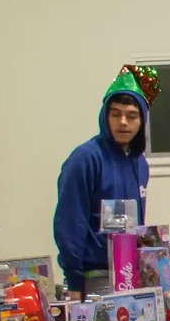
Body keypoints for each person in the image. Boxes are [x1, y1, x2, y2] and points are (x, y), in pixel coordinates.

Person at [53, 64, 153, 291]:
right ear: (105, 116)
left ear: (142, 121)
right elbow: (70, 222)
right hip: (94, 276)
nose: (124, 122)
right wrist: (75, 281)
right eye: (116, 114)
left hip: (130, 271)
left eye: (132, 116)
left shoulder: (140, 164)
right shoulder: (85, 159)